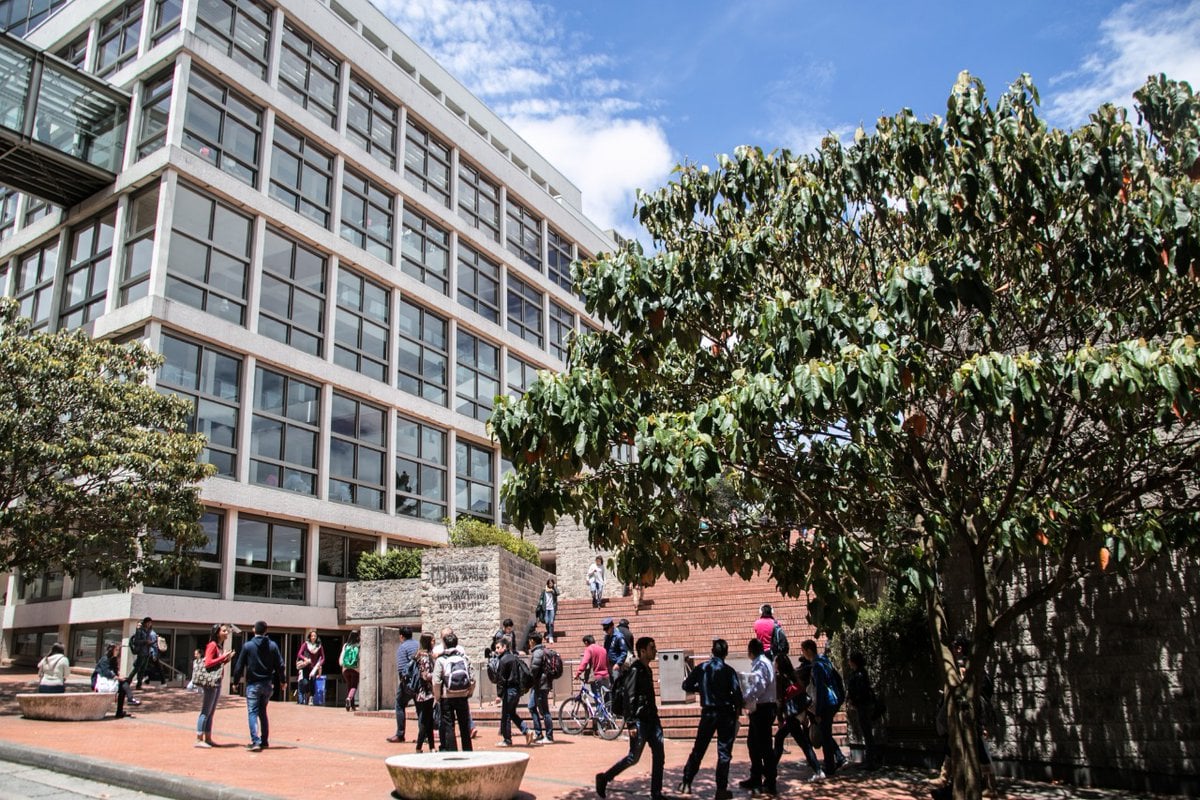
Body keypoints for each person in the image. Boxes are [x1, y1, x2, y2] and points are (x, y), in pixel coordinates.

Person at [596, 637, 664, 800]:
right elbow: (629, 697)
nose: (655, 650)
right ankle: (604, 778)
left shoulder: (648, 670)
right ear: (642, 651)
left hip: (652, 720)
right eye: (652, 648)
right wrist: (631, 723)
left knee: (659, 755)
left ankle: (656, 793)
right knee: (633, 757)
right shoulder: (635, 670)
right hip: (639, 721)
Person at [676, 638, 743, 799]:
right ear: (726, 653)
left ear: (712, 652)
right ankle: (721, 789)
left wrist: (702, 688)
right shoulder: (729, 671)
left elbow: (686, 685)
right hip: (726, 714)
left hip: (708, 713)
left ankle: (686, 782)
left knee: (699, 748)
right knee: (724, 752)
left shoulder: (702, 668)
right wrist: (737, 711)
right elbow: (737, 695)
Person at [231, 620, 285, 752]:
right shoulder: (272, 646)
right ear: (266, 631)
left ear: (254, 630)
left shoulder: (248, 646)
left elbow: (239, 666)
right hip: (267, 684)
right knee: (262, 712)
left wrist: (236, 682)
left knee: (252, 712)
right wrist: (283, 681)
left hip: (253, 684)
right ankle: (264, 740)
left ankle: (255, 741)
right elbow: (280, 665)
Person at [739, 637, 779, 796]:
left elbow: (759, 685)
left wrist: (746, 699)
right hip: (761, 709)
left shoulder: (761, 664)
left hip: (763, 708)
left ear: (751, 651)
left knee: (764, 746)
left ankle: (770, 781)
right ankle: (756, 776)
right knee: (754, 744)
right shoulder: (764, 662)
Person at [801, 638, 847, 776]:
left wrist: (818, 711)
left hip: (827, 702)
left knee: (825, 736)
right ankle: (838, 758)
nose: (803, 654)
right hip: (834, 700)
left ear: (809, 650)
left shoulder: (817, 666)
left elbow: (820, 689)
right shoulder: (825, 661)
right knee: (826, 732)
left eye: (803, 651)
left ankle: (830, 766)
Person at [774, 656, 824, 781]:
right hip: (799, 713)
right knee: (780, 738)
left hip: (791, 715)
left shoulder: (780, 678)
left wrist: (780, 718)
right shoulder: (794, 675)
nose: (774, 664)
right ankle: (771, 768)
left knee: (803, 744)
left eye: (776, 662)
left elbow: (780, 700)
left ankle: (818, 770)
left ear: (779, 664)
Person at [432, 631, 475, 751]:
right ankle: (468, 750)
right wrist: (469, 692)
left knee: (449, 725)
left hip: (447, 696)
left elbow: (436, 681)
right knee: (464, 724)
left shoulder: (441, 660)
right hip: (463, 695)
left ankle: (452, 751)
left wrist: (437, 697)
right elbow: (472, 678)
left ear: (444, 644)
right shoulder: (464, 658)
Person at [195, 623, 234, 747]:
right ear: (217, 633)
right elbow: (208, 663)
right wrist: (222, 657)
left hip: (217, 681)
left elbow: (217, 665)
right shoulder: (212, 645)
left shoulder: (219, 646)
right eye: (224, 631)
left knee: (211, 712)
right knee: (206, 711)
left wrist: (226, 659)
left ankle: (208, 738)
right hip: (211, 682)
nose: (226, 633)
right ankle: (199, 738)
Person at [495, 635, 536, 746]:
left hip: (509, 690)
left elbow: (501, 679)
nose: (496, 650)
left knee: (506, 715)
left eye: (498, 647)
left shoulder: (503, 660)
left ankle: (507, 740)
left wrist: (499, 695)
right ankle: (526, 730)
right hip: (517, 690)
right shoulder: (514, 658)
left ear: (504, 647)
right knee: (512, 713)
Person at [846, 651, 880, 770]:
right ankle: (870, 759)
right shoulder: (860, 673)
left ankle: (870, 761)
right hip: (862, 705)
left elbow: (860, 691)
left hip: (862, 706)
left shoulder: (859, 675)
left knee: (867, 732)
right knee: (867, 732)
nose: (849, 662)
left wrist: (854, 701)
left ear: (854, 661)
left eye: (850, 660)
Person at [389, 626, 419, 742]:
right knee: (420, 708)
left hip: (408, 683)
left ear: (401, 636)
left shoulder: (403, 647)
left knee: (399, 704)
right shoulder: (418, 645)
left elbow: (402, 669)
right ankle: (424, 735)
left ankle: (400, 734)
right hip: (420, 682)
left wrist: (403, 683)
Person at [93, 642, 136, 718]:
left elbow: (115, 671)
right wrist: (118, 678)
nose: (118, 652)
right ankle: (130, 699)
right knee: (123, 685)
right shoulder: (104, 659)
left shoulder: (114, 659)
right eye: (116, 650)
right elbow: (106, 672)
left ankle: (121, 709)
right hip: (101, 683)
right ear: (111, 650)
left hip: (111, 682)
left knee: (125, 683)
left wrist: (119, 677)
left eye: (118, 650)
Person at [527, 631, 555, 743]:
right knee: (531, 706)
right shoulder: (540, 651)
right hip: (538, 685)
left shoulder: (538, 653)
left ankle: (549, 736)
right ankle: (538, 733)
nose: (529, 643)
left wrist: (527, 680)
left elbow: (534, 670)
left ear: (533, 641)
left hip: (541, 685)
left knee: (544, 711)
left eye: (530, 641)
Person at [413, 632, 437, 753]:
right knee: (425, 720)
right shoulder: (424, 657)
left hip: (425, 692)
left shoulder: (424, 655)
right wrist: (438, 674)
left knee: (428, 720)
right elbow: (426, 675)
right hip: (425, 692)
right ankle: (419, 747)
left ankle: (431, 747)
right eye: (432, 640)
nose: (434, 642)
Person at [575, 634, 611, 701]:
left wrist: (578, 673)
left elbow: (584, 662)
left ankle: (599, 708)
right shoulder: (603, 649)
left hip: (597, 677)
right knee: (606, 699)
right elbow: (607, 663)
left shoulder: (589, 649)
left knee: (598, 699)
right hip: (606, 676)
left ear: (586, 642)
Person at [126, 617, 157, 690]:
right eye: (148, 623)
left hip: (147, 652)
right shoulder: (140, 630)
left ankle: (139, 685)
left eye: (150, 623)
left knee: (143, 669)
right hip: (141, 652)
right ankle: (127, 682)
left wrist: (153, 642)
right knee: (137, 668)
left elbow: (149, 642)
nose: (149, 624)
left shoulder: (148, 631)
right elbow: (136, 641)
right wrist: (145, 641)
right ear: (145, 623)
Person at [295, 630, 325, 705]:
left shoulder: (319, 646)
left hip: (313, 668)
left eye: (315, 636)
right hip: (306, 666)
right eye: (312, 636)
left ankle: (311, 698)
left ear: (317, 637)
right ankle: (307, 694)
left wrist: (319, 664)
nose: (313, 637)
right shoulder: (306, 644)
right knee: (305, 682)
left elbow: (323, 657)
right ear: (310, 637)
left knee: (312, 682)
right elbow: (299, 654)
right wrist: (305, 658)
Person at [340, 630, 361, 711]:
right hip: (355, 669)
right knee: (354, 686)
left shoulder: (346, 645)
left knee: (349, 686)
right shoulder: (359, 646)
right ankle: (349, 698)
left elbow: (342, 656)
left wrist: (342, 665)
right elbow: (360, 657)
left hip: (345, 669)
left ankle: (351, 706)